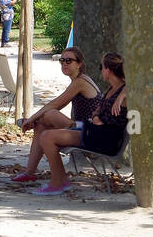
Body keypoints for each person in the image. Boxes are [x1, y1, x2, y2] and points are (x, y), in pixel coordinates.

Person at [28, 52, 127, 196]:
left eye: (102, 67)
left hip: (106, 139)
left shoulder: (122, 91)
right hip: (94, 131)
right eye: (62, 61)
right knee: (46, 130)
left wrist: (123, 94)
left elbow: (139, 86)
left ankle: (58, 182)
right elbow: (97, 112)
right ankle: (56, 179)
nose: (101, 71)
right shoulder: (111, 90)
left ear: (108, 70)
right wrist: (96, 117)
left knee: (47, 135)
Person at [10, 47, 101, 184]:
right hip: (80, 127)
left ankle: (31, 121)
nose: (64, 64)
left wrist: (33, 117)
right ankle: (29, 173)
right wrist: (35, 119)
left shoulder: (80, 82)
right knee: (40, 126)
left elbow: (56, 104)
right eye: (62, 60)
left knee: (50, 114)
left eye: (69, 61)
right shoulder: (77, 81)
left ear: (79, 64)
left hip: (89, 130)